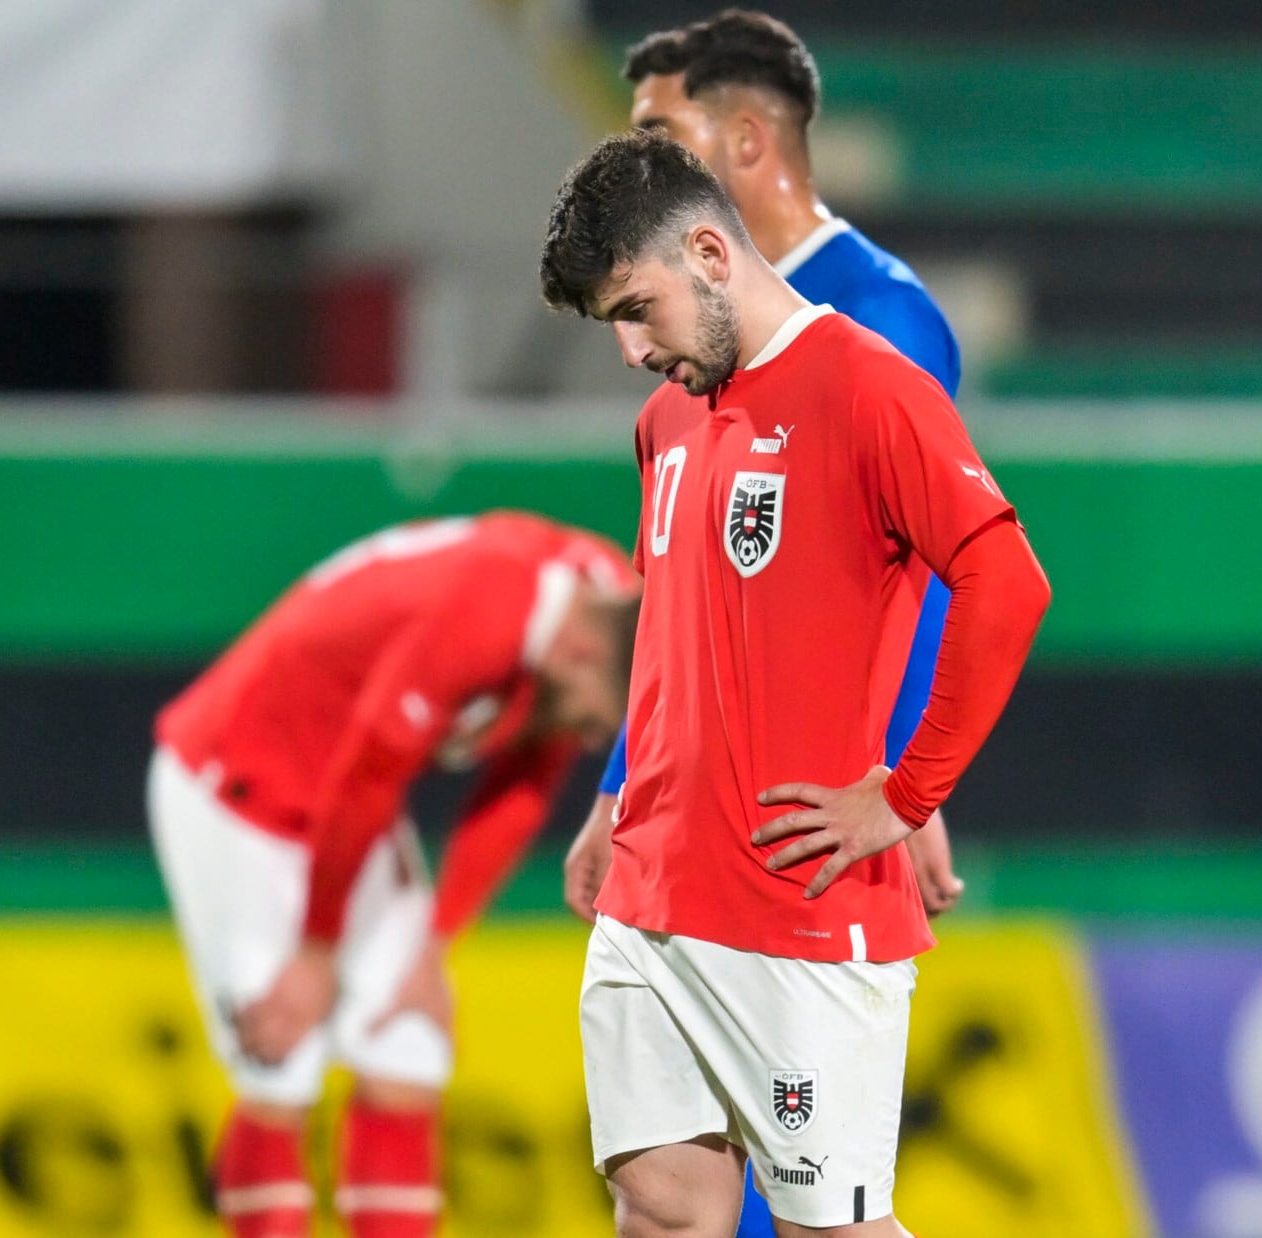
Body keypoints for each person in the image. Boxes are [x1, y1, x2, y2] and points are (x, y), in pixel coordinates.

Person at [538, 129, 1050, 1237]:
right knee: (663, 1206)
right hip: (649, 896)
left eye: (637, 307)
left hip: (798, 911)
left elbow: (1005, 584)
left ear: (713, 254)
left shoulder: (871, 386)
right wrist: (613, 798)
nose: (630, 349)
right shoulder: (666, 417)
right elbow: (679, 640)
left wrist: (908, 795)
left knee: (835, 1229)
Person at [568, 9, 966, 944]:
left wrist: (907, 785)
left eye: (660, 134)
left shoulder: (877, 318)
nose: (641, 162)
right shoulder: (700, 327)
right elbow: (684, 598)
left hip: (818, 809)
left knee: (814, 1083)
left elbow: (940, 563)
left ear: (746, 138)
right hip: (705, 811)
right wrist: (619, 783)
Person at [150, 512, 638, 1237]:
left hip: (346, 809)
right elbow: (368, 778)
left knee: (408, 1044)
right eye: (601, 720)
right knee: (281, 1061)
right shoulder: (482, 610)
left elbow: (522, 785)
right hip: (232, 786)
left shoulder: (609, 603)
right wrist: (315, 954)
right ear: (577, 656)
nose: (597, 737)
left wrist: (433, 947)